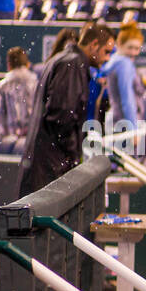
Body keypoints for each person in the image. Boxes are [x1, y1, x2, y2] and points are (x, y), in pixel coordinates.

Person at [18, 22, 115, 195]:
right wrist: (73, 158)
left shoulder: (63, 60)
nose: (107, 58)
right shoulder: (72, 64)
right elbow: (62, 117)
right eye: (106, 52)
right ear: (93, 45)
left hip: (44, 166)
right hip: (50, 172)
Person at [0, 46, 37, 138]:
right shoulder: (36, 85)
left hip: (8, 142)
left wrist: (1, 130)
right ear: (27, 64)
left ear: (9, 65)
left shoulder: (2, 85)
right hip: (32, 141)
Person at [102, 22, 146, 133]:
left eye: (137, 48)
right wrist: (133, 129)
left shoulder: (114, 61)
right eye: (130, 47)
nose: (134, 53)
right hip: (124, 124)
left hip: (116, 121)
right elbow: (127, 99)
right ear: (119, 44)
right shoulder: (124, 64)